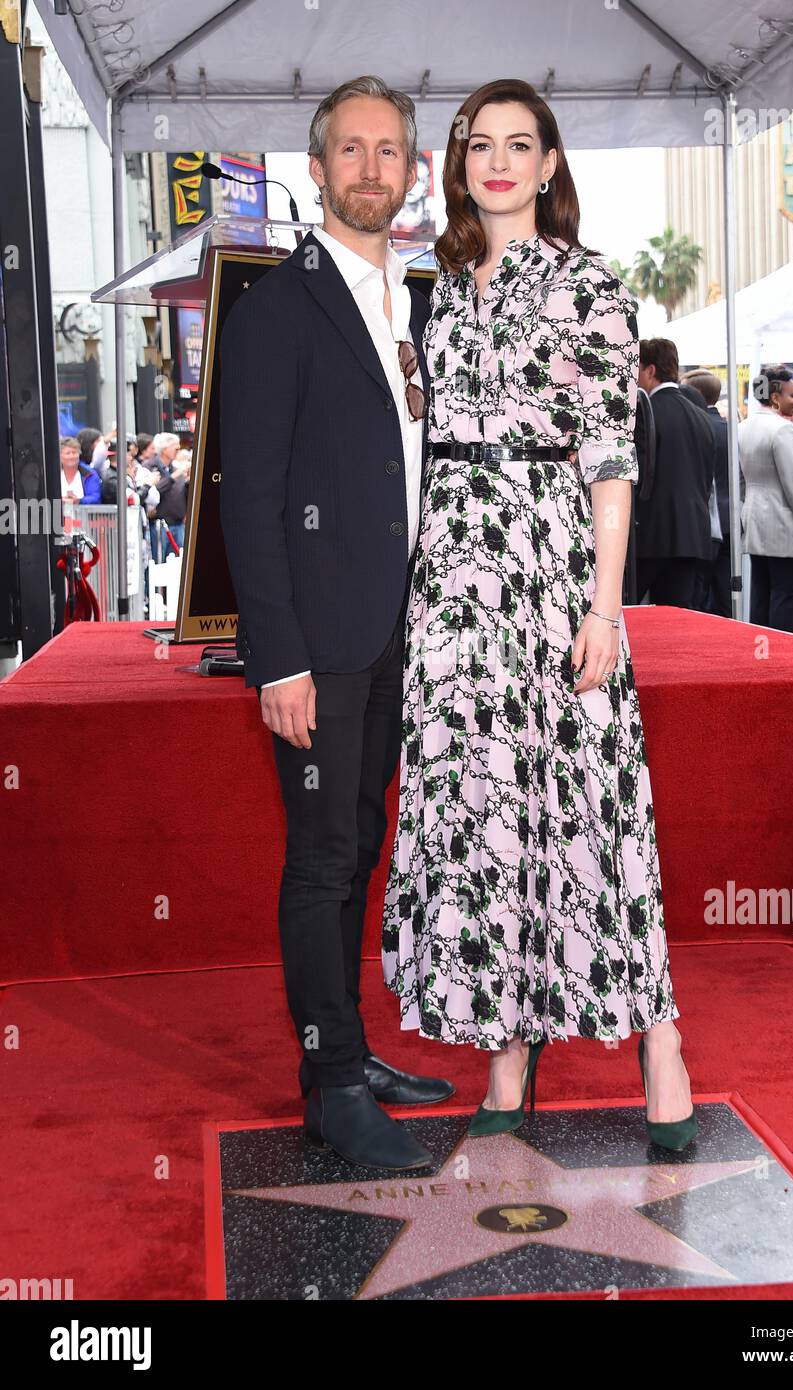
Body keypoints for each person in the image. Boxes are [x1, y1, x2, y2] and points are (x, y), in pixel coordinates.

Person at [381, 77, 697, 1152]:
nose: (500, 161)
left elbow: (612, 461)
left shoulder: (591, 287)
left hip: (554, 567)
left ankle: (660, 1039)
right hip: (456, 575)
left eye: (523, 144)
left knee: (593, 802)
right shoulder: (439, 286)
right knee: (480, 807)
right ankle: (508, 1045)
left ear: (551, 163)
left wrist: (606, 605)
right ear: (460, 162)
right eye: (482, 143)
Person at [219, 74, 454, 1173]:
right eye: (350, 151)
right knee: (321, 860)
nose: (371, 168)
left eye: (389, 151)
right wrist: (281, 658)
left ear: (411, 172)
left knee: (360, 847)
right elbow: (246, 496)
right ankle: (329, 1080)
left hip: (404, 635)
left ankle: (350, 1053)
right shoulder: (276, 308)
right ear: (317, 171)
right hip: (321, 643)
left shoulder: (417, 302)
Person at [635, 339, 715, 609]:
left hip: (650, 533)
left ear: (650, 370)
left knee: (627, 614)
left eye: (638, 367)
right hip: (693, 532)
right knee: (678, 620)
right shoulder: (702, 415)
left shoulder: (645, 412)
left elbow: (641, 474)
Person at [738, 366, 793, 632]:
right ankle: (777, 653)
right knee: (784, 593)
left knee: (761, 591)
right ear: (775, 397)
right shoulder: (783, 430)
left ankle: (761, 650)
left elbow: (739, 479)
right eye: (791, 394)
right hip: (782, 522)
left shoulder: (743, 427)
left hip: (753, 518)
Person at [681, 370, 732, 618]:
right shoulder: (728, 429)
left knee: (697, 593)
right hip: (730, 518)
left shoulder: (694, 429)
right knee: (725, 593)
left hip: (703, 521)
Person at [148, 432, 188, 560]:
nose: (178, 449)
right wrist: (174, 476)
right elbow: (154, 490)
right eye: (174, 446)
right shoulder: (150, 466)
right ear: (164, 449)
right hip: (160, 525)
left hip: (178, 523)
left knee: (178, 562)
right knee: (160, 562)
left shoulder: (175, 467)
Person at [59, 435, 101, 506]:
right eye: (68, 453)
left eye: (74, 452)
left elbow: (96, 497)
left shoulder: (90, 474)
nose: (72, 456)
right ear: (60, 456)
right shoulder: (52, 474)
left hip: (83, 515)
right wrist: (60, 500)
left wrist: (79, 501)